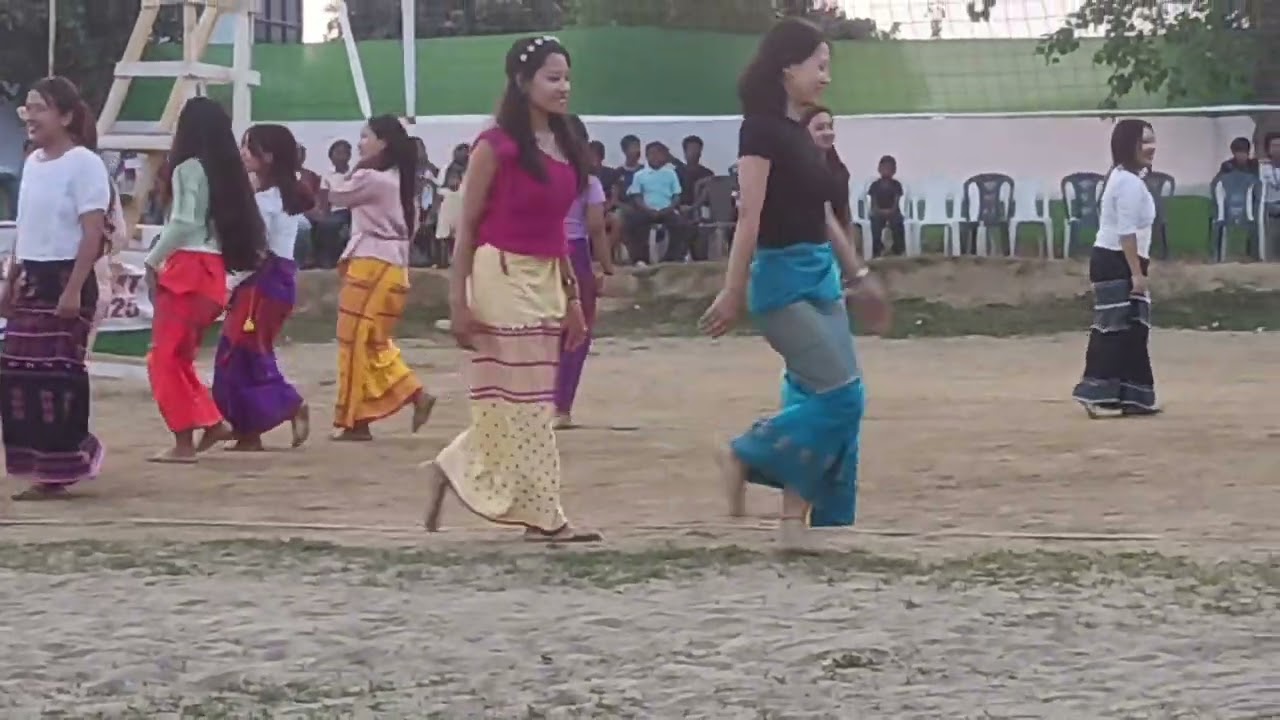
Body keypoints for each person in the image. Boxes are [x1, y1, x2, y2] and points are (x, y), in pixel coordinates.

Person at [698, 19, 891, 550]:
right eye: (819, 65)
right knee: (842, 397)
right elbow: (749, 216)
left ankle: (794, 524)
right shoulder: (758, 131)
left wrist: (859, 277)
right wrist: (733, 289)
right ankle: (743, 453)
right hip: (780, 281)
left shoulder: (801, 132)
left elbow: (823, 215)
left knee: (817, 400)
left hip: (821, 277)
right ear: (788, 66)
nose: (826, 76)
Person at [423, 35, 597, 543]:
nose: (564, 87)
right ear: (523, 82)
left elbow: (557, 229)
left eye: (567, 78)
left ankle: (453, 465)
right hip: (499, 274)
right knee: (528, 402)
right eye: (552, 77)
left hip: (546, 277)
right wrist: (457, 300)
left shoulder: (564, 143)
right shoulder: (494, 146)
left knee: (524, 401)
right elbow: (466, 229)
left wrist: (573, 299)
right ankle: (547, 518)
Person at [2, 76, 109, 499]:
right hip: (31, 278)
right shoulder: (32, 163)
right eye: (27, 107)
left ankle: (60, 468)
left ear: (65, 116)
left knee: (56, 375)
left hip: (67, 278)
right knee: (17, 372)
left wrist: (74, 289)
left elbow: (93, 231)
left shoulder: (85, 164)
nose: (30, 117)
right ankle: (36, 463)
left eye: (39, 108)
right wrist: (11, 280)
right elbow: (26, 228)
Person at [145, 97, 267, 463]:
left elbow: (185, 222)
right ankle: (209, 421)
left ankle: (187, 439)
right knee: (179, 357)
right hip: (212, 272)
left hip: (187, 268)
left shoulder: (188, 168)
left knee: (163, 359)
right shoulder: (227, 173)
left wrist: (152, 259)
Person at [328, 115, 436, 441]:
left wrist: (348, 171)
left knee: (352, 340)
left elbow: (335, 195)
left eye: (366, 136)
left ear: (383, 142)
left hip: (371, 265)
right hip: (395, 267)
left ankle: (354, 419)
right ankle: (412, 393)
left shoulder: (371, 178)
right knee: (374, 340)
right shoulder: (403, 183)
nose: (360, 143)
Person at [210, 124, 313, 451]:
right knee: (245, 355)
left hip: (261, 285)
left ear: (268, 157)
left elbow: (255, 252)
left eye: (249, 147)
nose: (242, 153)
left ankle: (289, 404)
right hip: (274, 284)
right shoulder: (281, 196)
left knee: (241, 354)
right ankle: (248, 430)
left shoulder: (266, 202)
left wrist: (227, 285)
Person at [1072, 119, 1160, 418]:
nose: (1151, 147)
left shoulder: (1127, 178)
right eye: (1143, 141)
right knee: (1114, 328)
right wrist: (1136, 273)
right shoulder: (1127, 182)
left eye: (1152, 140)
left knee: (1134, 329)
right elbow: (1126, 232)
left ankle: (1134, 396)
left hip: (1124, 259)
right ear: (1127, 145)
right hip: (1116, 260)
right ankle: (1096, 395)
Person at [554, 115, 615, 429]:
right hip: (576, 253)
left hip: (542, 252)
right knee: (578, 331)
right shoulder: (588, 183)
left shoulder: (543, 177)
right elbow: (595, 228)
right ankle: (562, 407)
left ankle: (538, 401)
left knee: (545, 329)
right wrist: (605, 266)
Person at [622, 141, 685, 264]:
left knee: (681, 225)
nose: (655, 156)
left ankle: (672, 258)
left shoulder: (671, 173)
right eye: (652, 154)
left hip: (666, 210)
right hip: (646, 210)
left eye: (658, 153)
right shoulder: (639, 175)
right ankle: (640, 259)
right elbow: (637, 197)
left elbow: (677, 195)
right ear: (646, 156)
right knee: (631, 224)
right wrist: (647, 210)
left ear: (664, 156)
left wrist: (669, 209)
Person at [802, 105, 851, 229]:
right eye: (819, 128)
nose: (827, 133)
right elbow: (827, 218)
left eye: (830, 127)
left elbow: (845, 211)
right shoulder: (801, 169)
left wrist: (849, 237)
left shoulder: (839, 169)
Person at [867, 155, 905, 256]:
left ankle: (898, 249)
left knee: (898, 223)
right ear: (879, 169)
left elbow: (896, 202)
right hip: (878, 212)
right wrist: (880, 211)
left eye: (889, 168)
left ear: (894, 170)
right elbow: (873, 203)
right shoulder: (874, 185)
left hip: (893, 212)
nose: (886, 170)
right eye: (884, 168)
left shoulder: (897, 185)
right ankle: (877, 250)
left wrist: (890, 211)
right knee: (875, 223)